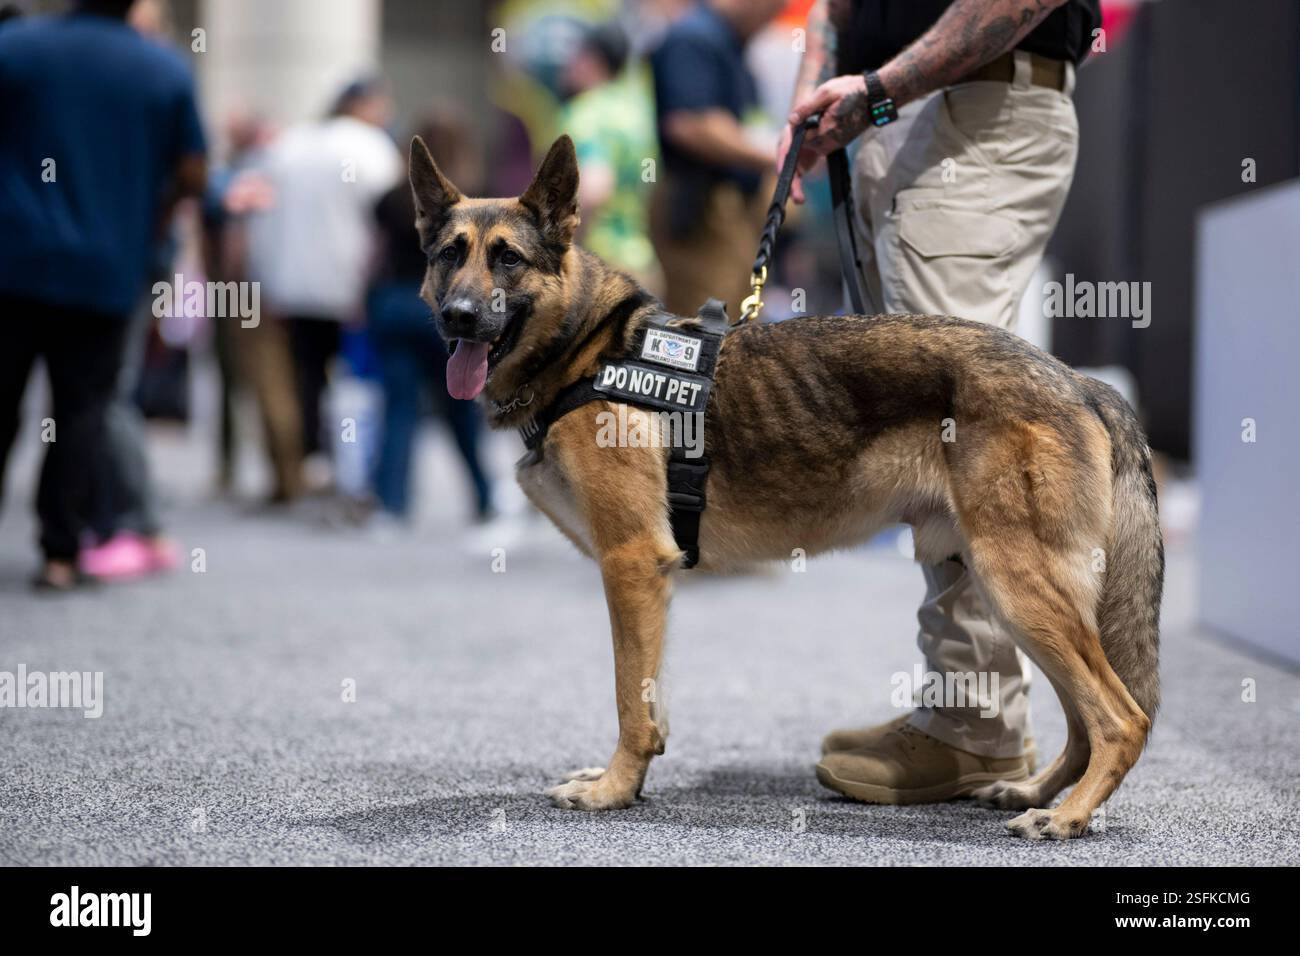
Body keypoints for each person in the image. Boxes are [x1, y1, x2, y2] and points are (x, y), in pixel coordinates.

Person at [779, 0, 1099, 803]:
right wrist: (818, 103)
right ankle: (965, 708)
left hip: (972, 109)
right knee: (932, 437)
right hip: (896, 120)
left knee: (956, 439)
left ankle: (979, 726)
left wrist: (878, 91)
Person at [0, 0, 206, 590]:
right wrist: (152, 220)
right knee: (80, 415)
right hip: (105, 270)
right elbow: (193, 171)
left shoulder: (16, 47)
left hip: (12, 263)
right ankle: (59, 555)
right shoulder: (163, 69)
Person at [245, 77, 402, 497]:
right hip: (351, 287)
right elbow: (387, 220)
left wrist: (268, 278)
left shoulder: (290, 146)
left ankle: (309, 464)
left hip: (292, 287)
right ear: (365, 104)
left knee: (305, 378)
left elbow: (262, 220)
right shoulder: (370, 148)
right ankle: (352, 471)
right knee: (357, 381)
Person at [366, 114, 495, 526]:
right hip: (452, 309)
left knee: (398, 411)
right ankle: (485, 498)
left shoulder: (390, 199)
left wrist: (363, 299)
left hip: (396, 306)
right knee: (461, 409)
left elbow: (375, 257)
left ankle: (391, 506)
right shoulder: (482, 200)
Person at [647, 0, 785, 317]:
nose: (770, 21)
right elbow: (688, 124)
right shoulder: (693, 37)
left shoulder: (725, 40)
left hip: (727, 209)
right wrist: (777, 155)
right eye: (772, 10)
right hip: (701, 207)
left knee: (735, 322)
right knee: (708, 328)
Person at [559, 21, 659, 289]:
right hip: (641, 263)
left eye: (574, 54)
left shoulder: (587, 113)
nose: (567, 64)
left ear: (591, 60)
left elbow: (595, 188)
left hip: (599, 268)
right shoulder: (637, 113)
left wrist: (562, 253)